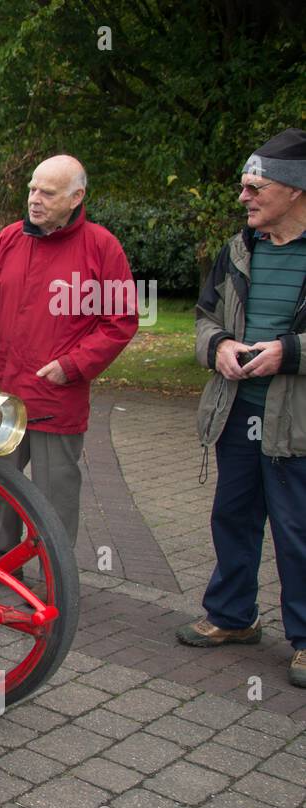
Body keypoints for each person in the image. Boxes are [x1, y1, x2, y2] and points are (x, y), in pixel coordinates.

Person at [0, 155, 138, 564]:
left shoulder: (101, 247)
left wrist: (72, 365)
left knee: (55, 493)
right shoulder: (9, 240)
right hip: (3, 395)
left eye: (47, 193)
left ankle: (55, 571)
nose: (34, 199)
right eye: (32, 189)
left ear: (76, 197)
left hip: (57, 398)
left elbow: (119, 321)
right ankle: (3, 561)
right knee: (0, 483)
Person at [178, 128, 306, 688]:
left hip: (296, 425)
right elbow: (204, 319)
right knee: (232, 517)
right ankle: (233, 617)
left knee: (297, 530)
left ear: (296, 191)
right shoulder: (238, 251)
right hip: (236, 413)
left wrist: (291, 352)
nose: (244, 197)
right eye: (243, 186)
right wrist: (220, 347)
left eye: (256, 187)